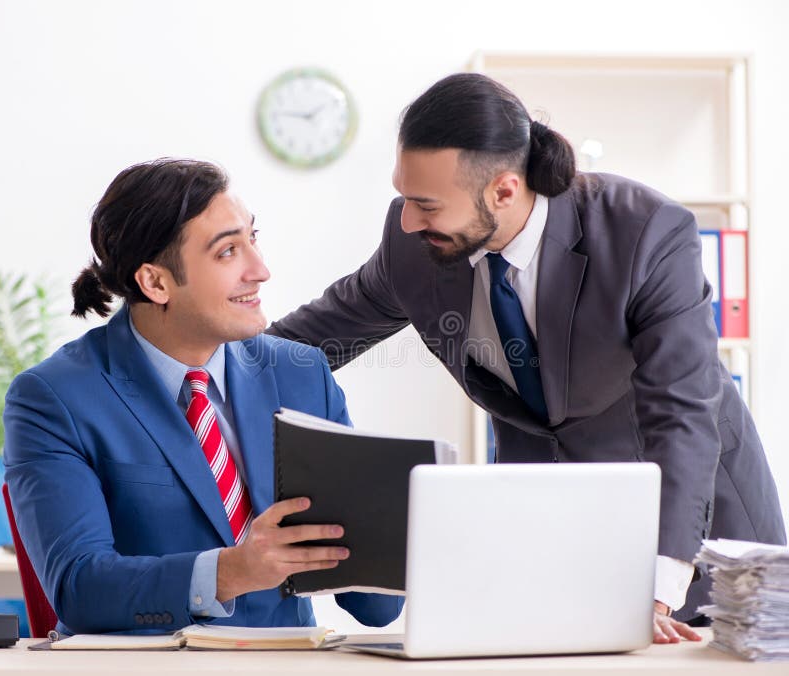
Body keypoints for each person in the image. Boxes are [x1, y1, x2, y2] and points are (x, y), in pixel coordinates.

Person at [268, 73, 786, 643]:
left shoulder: (646, 232)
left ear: (505, 191)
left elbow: (682, 414)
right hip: (550, 519)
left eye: (425, 204)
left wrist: (659, 587)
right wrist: (194, 359)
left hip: (691, 522)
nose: (407, 219)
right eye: (404, 196)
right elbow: (309, 342)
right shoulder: (411, 244)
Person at [3, 158, 402, 635]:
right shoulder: (54, 399)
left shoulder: (301, 373)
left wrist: (395, 535)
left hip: (287, 664)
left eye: (253, 238)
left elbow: (374, 607)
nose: (261, 270)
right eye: (228, 251)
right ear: (155, 282)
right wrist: (234, 571)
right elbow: (80, 589)